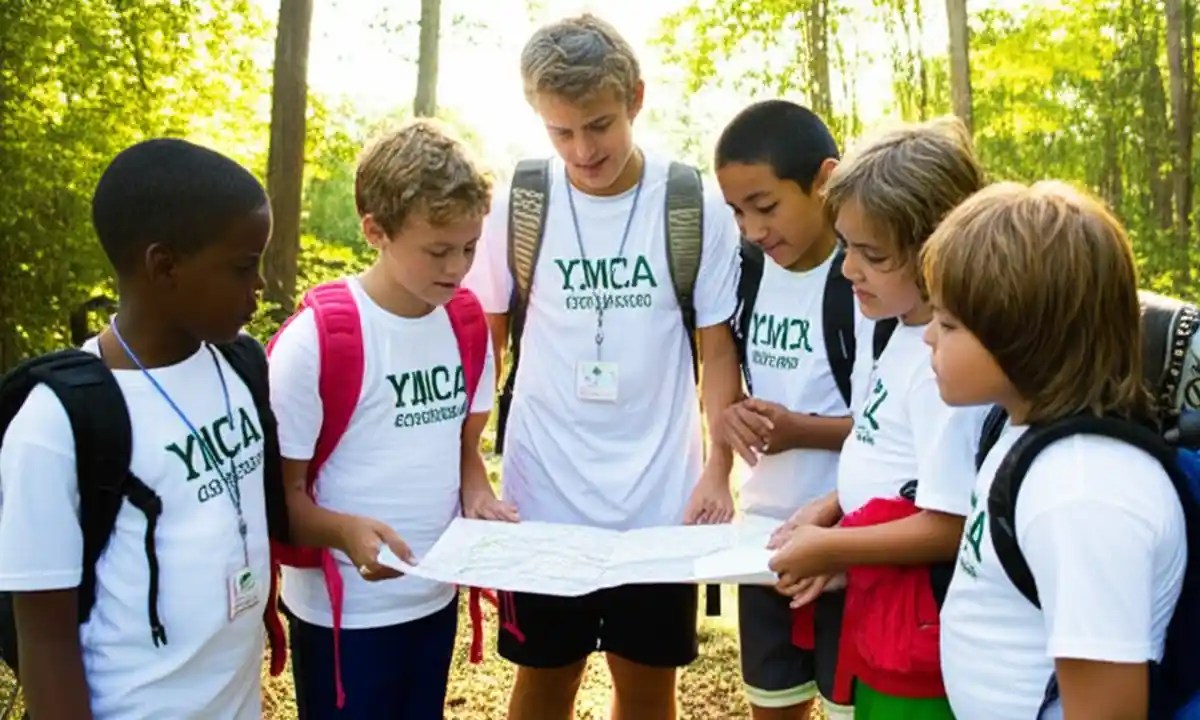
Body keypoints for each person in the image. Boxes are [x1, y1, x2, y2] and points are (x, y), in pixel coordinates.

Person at [463, 13, 741, 720]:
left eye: (600, 125)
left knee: (648, 684)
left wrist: (716, 470)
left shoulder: (693, 202)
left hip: (660, 497)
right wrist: (470, 469)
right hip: (543, 491)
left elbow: (715, 349)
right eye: (561, 131)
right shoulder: (518, 205)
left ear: (636, 99)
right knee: (545, 677)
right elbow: (484, 342)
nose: (583, 150)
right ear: (536, 117)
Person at [0, 138, 277, 719]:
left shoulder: (240, 363)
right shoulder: (57, 424)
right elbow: (44, 637)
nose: (261, 287)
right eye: (243, 266)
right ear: (164, 265)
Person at [267, 118, 507, 719]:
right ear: (375, 230)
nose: (458, 267)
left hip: (433, 598)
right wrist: (345, 532)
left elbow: (465, 452)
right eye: (438, 249)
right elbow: (280, 498)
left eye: (470, 247)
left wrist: (478, 494)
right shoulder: (316, 343)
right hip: (343, 614)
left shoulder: (466, 325)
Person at [922, 181, 1188, 720]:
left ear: (1025, 336)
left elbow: (1104, 712)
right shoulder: (1025, 432)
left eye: (948, 323)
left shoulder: (1082, 492)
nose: (928, 337)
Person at [768, 117, 983, 719]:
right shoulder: (899, 327)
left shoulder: (952, 369)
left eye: (873, 254)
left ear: (939, 248)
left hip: (924, 638)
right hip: (887, 615)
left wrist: (833, 551)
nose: (847, 270)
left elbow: (949, 524)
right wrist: (835, 507)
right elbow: (894, 457)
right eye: (845, 246)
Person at [712, 99, 853, 720]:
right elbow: (721, 368)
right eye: (738, 212)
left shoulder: (863, 277)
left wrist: (800, 431)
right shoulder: (746, 271)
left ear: (825, 180)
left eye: (766, 207)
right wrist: (730, 417)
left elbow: (893, 431)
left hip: (849, 541)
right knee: (772, 705)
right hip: (762, 541)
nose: (752, 229)